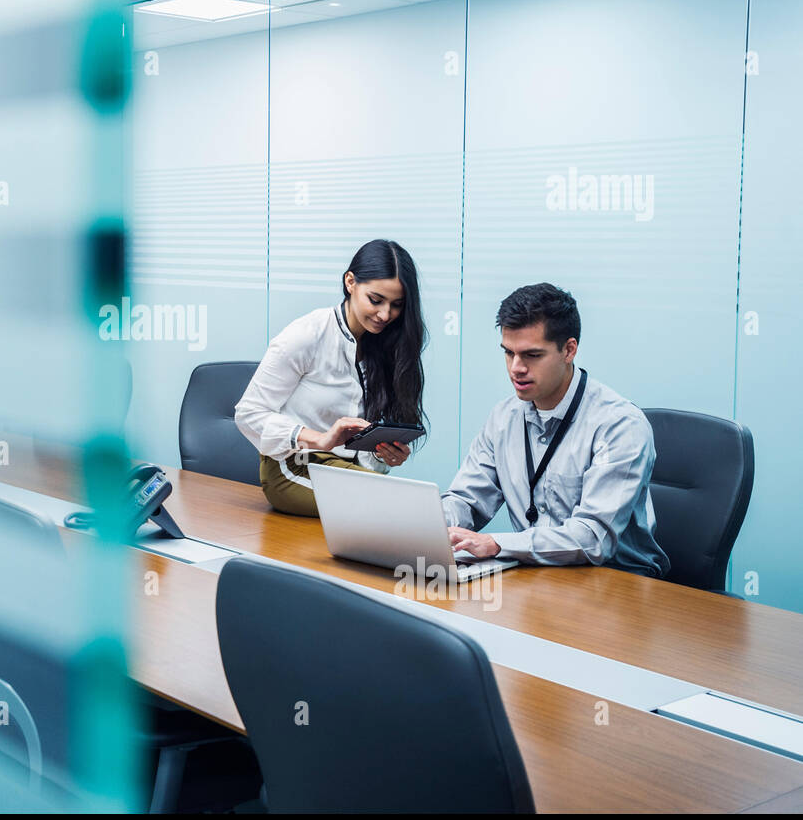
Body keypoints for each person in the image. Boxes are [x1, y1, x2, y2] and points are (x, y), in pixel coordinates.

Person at [442, 283, 669, 577]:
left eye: (532, 355)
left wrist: (495, 543)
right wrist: (431, 526)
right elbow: (467, 500)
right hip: (540, 576)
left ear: (569, 350)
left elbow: (591, 537)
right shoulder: (503, 418)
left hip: (619, 582)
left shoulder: (620, 424)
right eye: (508, 353)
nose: (516, 368)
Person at [234, 239, 428, 517]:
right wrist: (320, 439)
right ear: (350, 282)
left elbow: (363, 454)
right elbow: (248, 413)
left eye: (397, 305)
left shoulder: (388, 346)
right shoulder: (306, 335)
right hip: (294, 465)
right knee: (393, 508)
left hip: (347, 470)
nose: (385, 314)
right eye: (375, 300)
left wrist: (384, 453)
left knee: (404, 506)